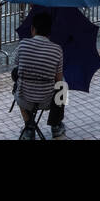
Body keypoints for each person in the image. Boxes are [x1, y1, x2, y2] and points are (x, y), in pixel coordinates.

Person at [13, 9, 66, 139]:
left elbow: (16, 69)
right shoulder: (57, 50)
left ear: (32, 29)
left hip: (24, 99)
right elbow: (58, 81)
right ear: (49, 32)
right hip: (46, 101)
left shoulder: (23, 44)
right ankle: (56, 125)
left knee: (16, 80)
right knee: (63, 86)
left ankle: (29, 126)